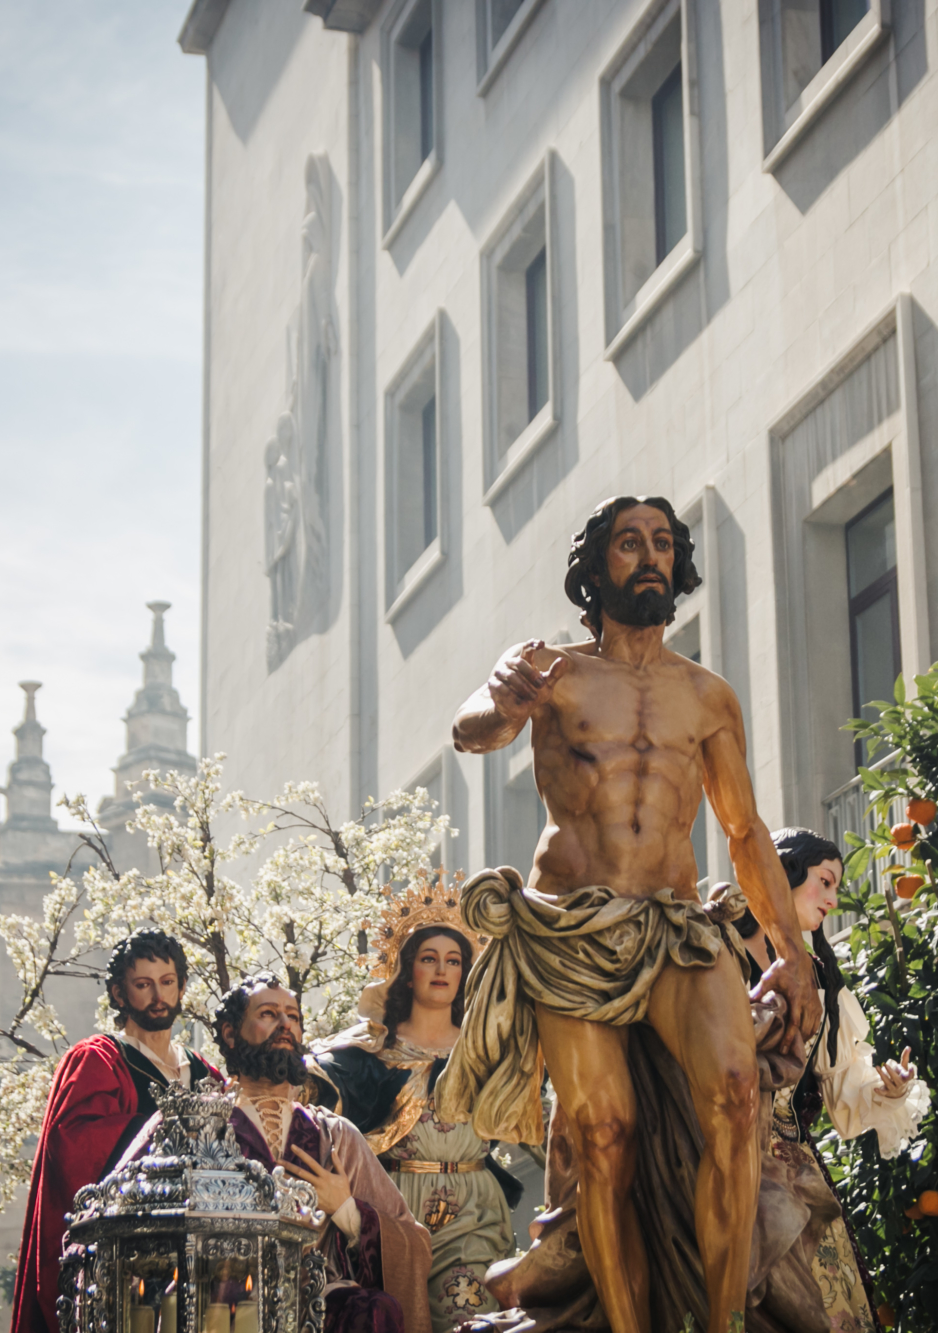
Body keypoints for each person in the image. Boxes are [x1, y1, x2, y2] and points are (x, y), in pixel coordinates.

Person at [436, 495, 822, 1333]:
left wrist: (793, 955)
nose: (647, 556)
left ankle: (720, 1323)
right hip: (571, 929)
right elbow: (470, 733)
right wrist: (502, 693)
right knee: (604, 1135)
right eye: (627, 543)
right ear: (595, 567)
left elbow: (744, 829)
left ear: (677, 566)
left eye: (660, 543)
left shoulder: (707, 695)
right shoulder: (555, 670)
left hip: (677, 922)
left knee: (733, 1093)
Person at [738, 828, 930, 1331]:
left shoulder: (821, 980)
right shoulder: (717, 946)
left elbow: (840, 1082)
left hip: (790, 1171)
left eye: (836, 887)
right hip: (711, 1151)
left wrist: (884, 1089)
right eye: (824, 882)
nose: (832, 899)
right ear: (786, 873)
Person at [308, 884, 522, 1331]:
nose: (442, 969)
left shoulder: (486, 1051)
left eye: (454, 960)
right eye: (429, 958)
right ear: (407, 971)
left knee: (469, 1319)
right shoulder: (368, 1053)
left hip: (473, 1207)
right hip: (394, 1204)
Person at [11, 931, 223, 1333]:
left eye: (167, 982)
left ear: (181, 988)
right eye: (143, 985)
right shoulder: (99, 1058)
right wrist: (165, 1128)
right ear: (119, 994)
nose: (158, 996)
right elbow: (74, 1144)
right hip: (126, 1257)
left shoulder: (205, 1072)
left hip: (201, 1253)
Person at [215, 976, 432, 1333]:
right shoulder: (198, 1124)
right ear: (230, 1033)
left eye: (293, 1016)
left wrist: (347, 1209)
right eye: (268, 1014)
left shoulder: (335, 1135)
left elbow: (413, 1243)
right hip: (221, 1305)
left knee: (372, 1308)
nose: (285, 1025)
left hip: (317, 1308)